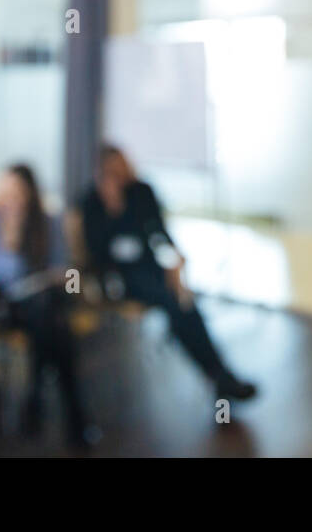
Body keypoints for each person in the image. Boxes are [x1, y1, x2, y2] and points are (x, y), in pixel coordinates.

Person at [78, 145, 256, 401]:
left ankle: (219, 373)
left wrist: (175, 259)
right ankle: (219, 376)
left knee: (185, 306)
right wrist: (112, 210)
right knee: (175, 303)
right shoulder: (92, 202)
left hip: (149, 269)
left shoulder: (142, 193)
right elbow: (95, 252)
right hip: (119, 277)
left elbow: (159, 232)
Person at [0, 163, 91, 449]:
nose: (9, 199)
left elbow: (65, 268)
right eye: (4, 192)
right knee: (56, 325)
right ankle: (74, 417)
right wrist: (12, 241)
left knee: (48, 311)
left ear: (29, 193)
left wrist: (64, 277)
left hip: (46, 302)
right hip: (7, 305)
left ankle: (34, 398)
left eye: (16, 192)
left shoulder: (49, 222)